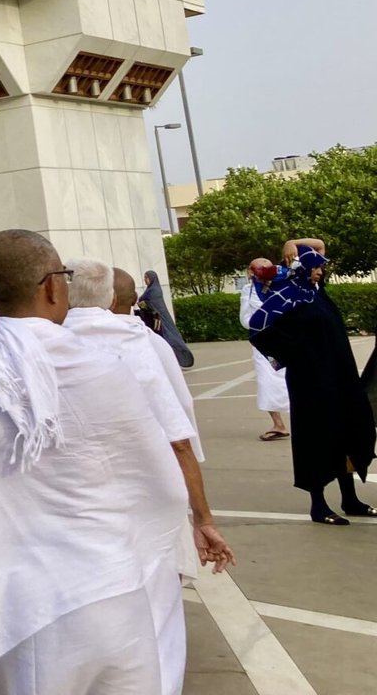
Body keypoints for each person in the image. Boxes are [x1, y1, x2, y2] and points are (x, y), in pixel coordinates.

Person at [0, 229, 226, 695]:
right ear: (53, 287)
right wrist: (195, 520)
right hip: (117, 594)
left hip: (26, 610)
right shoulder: (102, 367)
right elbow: (157, 479)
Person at [65, 257, 232, 595]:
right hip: (146, 487)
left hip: (77, 503)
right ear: (115, 300)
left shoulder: (42, 345)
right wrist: (202, 515)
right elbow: (179, 431)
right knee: (154, 588)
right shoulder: (142, 345)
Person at [249, 239, 377, 525]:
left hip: (339, 377)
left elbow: (319, 244)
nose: (319, 271)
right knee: (317, 439)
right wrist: (292, 355)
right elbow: (258, 326)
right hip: (311, 384)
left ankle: (350, 499)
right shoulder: (289, 295)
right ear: (302, 268)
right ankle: (318, 505)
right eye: (315, 267)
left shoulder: (318, 294)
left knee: (346, 433)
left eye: (321, 267)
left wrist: (296, 243)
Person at [240, 259, 290, 440]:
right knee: (267, 382)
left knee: (292, 380)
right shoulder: (248, 290)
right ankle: (279, 424)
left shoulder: (284, 285)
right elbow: (245, 319)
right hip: (264, 346)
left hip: (286, 342)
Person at [140, 270, 195, 368]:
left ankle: (183, 358)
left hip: (162, 320)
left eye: (146, 278)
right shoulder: (150, 289)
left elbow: (148, 303)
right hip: (156, 320)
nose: (145, 280)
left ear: (152, 279)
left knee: (170, 337)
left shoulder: (154, 291)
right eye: (145, 278)